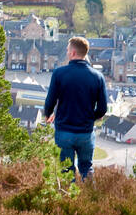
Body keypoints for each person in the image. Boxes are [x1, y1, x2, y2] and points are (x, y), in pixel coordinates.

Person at [42, 35, 108, 181]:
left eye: (67, 50)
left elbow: (50, 101)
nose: (66, 53)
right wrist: (91, 118)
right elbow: (103, 109)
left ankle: (69, 202)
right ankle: (91, 199)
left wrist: (48, 114)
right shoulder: (97, 77)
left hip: (64, 131)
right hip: (85, 132)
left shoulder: (59, 73)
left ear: (72, 53)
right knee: (86, 168)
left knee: (66, 170)